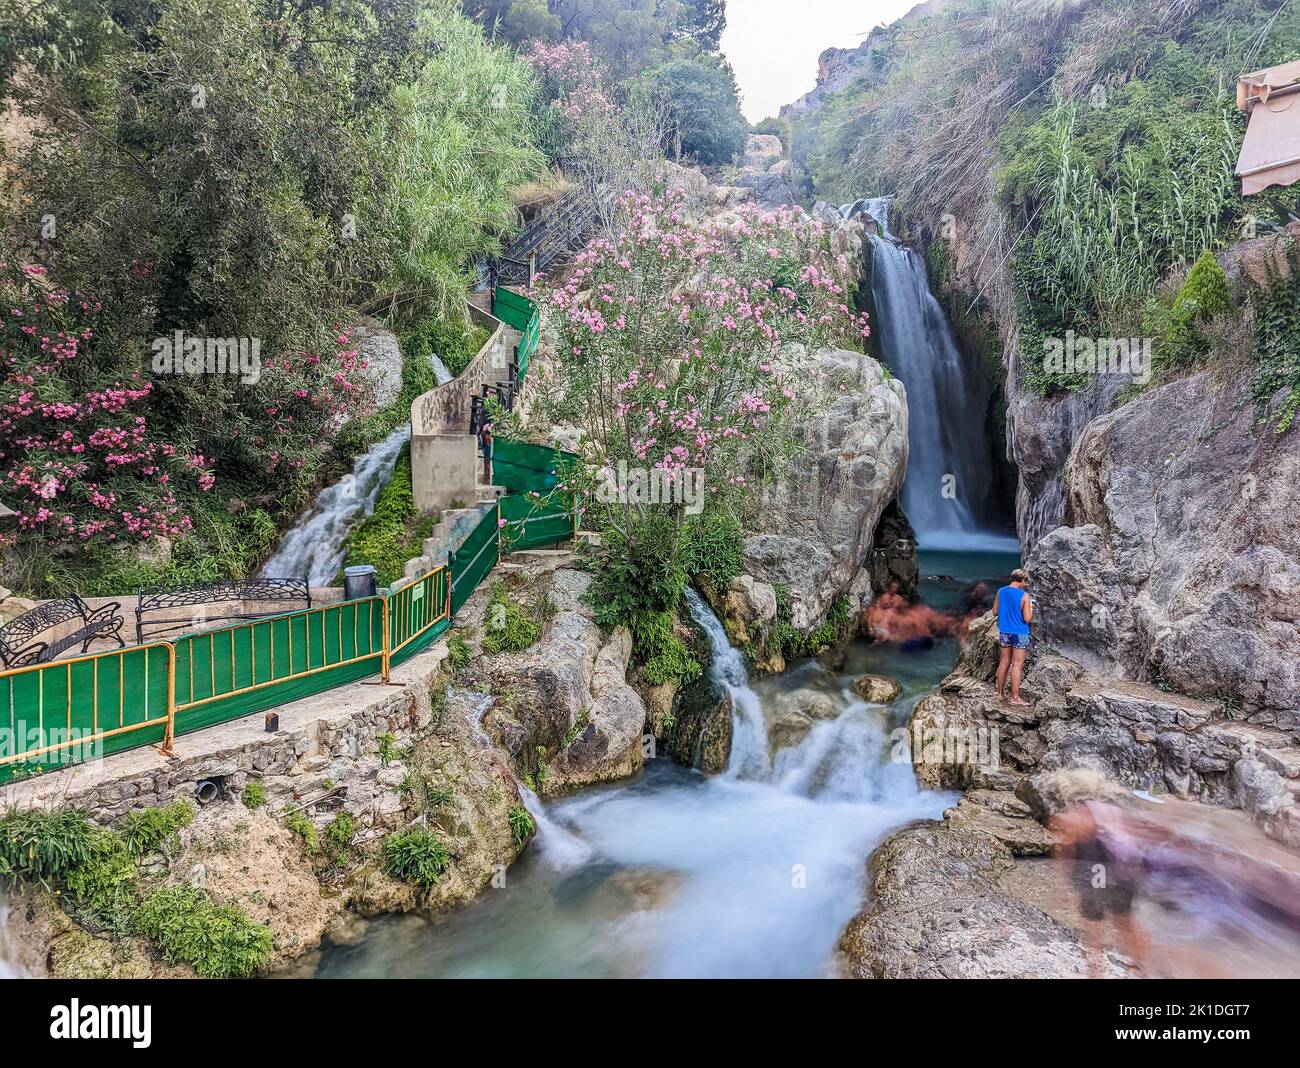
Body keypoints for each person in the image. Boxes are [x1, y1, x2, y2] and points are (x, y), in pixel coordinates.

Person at [994, 567, 1032, 706]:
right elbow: (1027, 618)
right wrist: (1030, 609)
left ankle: (1000, 694)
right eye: (1025, 582)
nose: (1026, 585)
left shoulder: (1001, 591)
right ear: (1022, 580)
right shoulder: (1024, 596)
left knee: (1004, 662)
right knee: (1016, 665)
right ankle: (1015, 698)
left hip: (1004, 632)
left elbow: (995, 611)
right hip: (1020, 633)